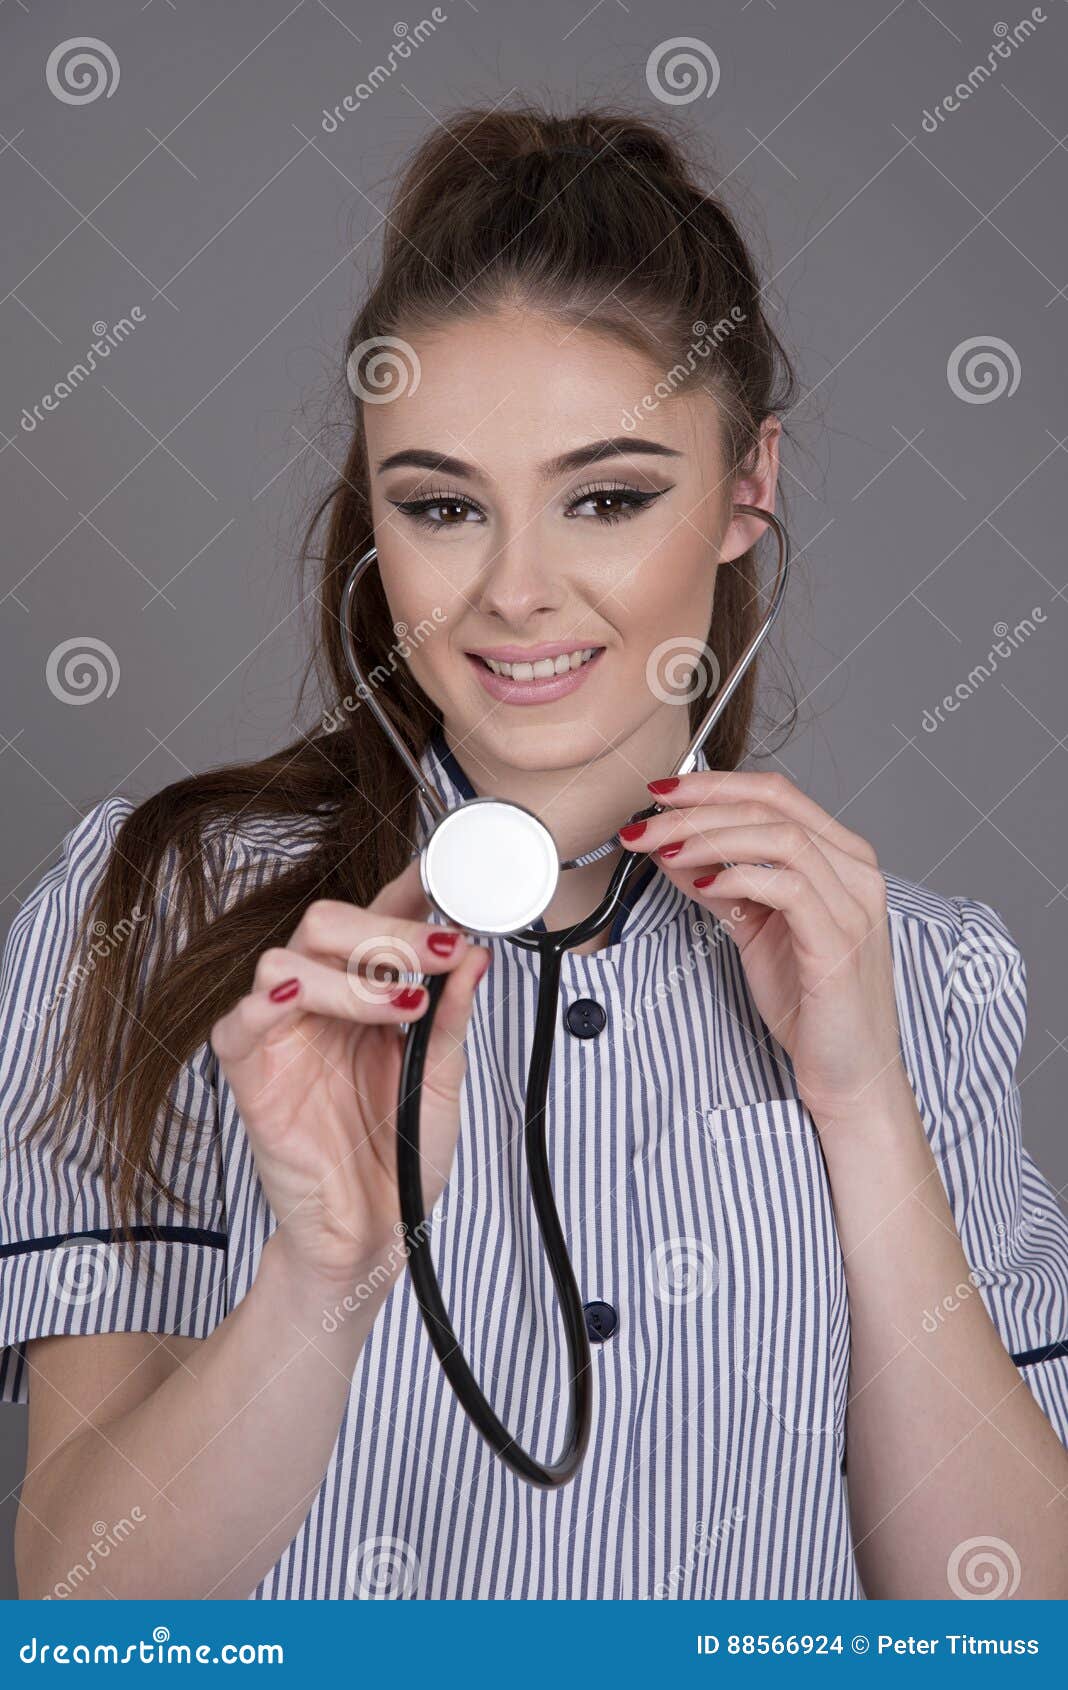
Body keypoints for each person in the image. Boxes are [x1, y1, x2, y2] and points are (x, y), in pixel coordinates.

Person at [2, 104, 1066, 1603]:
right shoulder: (158, 904)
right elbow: (82, 1612)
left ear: (746, 486)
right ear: (375, 516)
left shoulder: (928, 976)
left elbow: (1004, 1621)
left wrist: (864, 1103)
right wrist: (322, 1280)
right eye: (441, 506)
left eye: (609, 497)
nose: (514, 591)